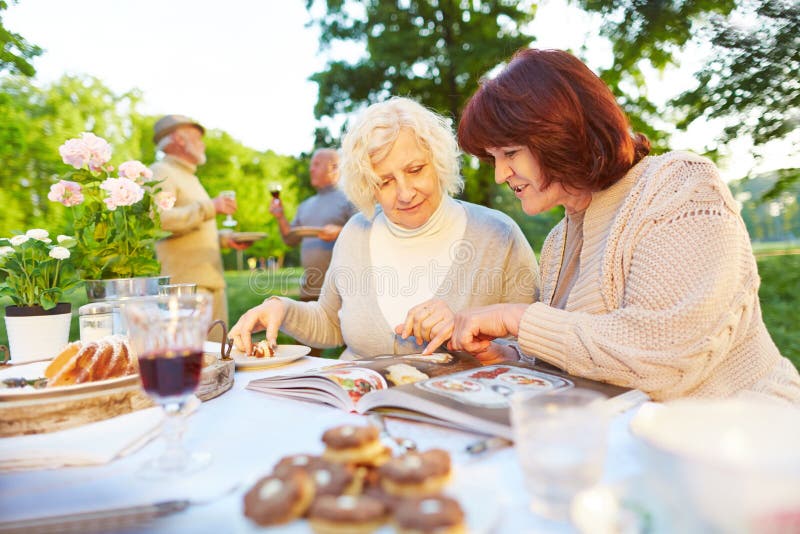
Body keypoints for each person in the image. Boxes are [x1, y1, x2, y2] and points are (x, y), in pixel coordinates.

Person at [450, 48, 800, 403]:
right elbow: (589, 357)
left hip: (747, 431)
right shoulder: (560, 240)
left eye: (509, 153)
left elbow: (662, 361)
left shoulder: (680, 188)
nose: (499, 174)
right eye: (493, 158)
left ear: (559, 135)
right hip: (644, 439)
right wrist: (510, 357)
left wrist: (519, 318)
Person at [229, 97, 539, 360]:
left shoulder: (499, 236)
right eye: (384, 181)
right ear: (367, 186)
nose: (404, 193)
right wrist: (282, 309)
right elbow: (329, 322)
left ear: (439, 161)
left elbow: (534, 351)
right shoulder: (355, 233)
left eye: (415, 170)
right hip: (357, 418)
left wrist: (475, 341)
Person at [150, 114, 237, 340]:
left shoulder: (190, 176)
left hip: (210, 283)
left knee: (217, 360)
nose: (203, 144)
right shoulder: (160, 171)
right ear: (179, 139)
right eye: (197, 138)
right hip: (186, 289)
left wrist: (223, 239)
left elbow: (193, 227)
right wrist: (211, 207)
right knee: (194, 362)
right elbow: (158, 220)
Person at [270, 148, 356, 301]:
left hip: (342, 295)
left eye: (316, 164)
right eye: (311, 165)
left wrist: (339, 231)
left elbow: (365, 233)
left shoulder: (350, 198)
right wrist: (280, 216)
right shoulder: (305, 205)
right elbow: (290, 239)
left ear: (334, 167)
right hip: (309, 293)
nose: (311, 169)